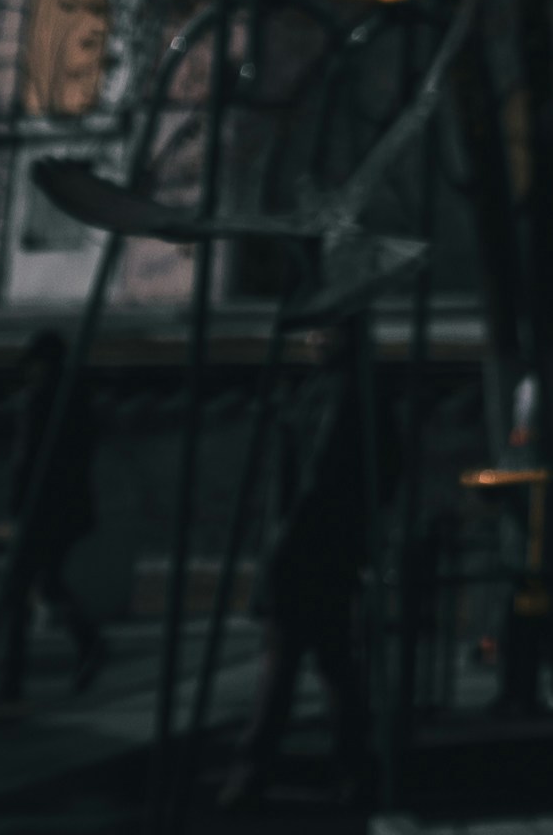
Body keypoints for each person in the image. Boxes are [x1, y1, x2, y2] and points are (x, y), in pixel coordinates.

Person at [220, 344, 372, 808]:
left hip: (308, 548)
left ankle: (255, 769)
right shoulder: (327, 392)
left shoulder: (337, 395)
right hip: (322, 548)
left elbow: (315, 478)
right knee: (329, 661)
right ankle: (350, 768)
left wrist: (283, 543)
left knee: (289, 661)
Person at [0, 332, 108, 701]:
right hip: (73, 508)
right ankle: (89, 642)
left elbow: (25, 457)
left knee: (16, 590)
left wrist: (16, 499)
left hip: (42, 507)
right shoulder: (79, 400)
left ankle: (10, 679)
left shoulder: (38, 400)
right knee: (49, 582)